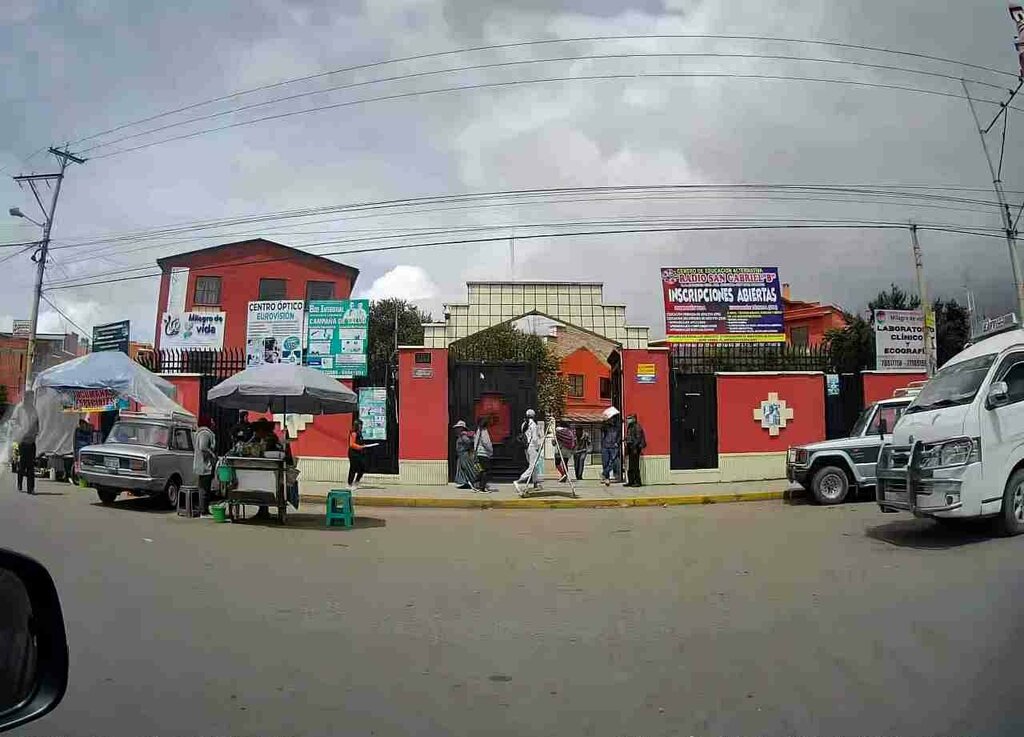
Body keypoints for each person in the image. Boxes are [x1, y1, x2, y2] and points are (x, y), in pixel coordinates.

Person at [13, 391, 39, 495]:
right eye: (30, 397)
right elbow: (15, 422)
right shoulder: (20, 409)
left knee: (31, 466)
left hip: (31, 441)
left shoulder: (34, 410)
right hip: (23, 442)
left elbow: (37, 423)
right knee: (22, 465)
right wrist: (20, 432)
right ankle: (20, 483)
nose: (31, 400)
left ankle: (30, 488)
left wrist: (35, 432)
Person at [512, 409, 542, 497]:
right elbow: (535, 439)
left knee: (533, 465)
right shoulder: (533, 425)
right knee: (533, 466)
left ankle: (535, 483)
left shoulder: (524, 424)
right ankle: (519, 481)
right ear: (534, 415)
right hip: (532, 447)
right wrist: (538, 448)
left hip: (527, 448)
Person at [194, 418, 217, 513]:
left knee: (204, 488)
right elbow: (203, 447)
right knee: (204, 489)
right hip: (204, 465)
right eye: (211, 421)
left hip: (202, 464)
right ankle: (203, 510)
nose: (213, 423)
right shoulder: (205, 433)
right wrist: (212, 454)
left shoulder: (202, 432)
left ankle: (203, 509)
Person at [452, 420, 477, 489]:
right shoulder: (461, 435)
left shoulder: (463, 435)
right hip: (461, 454)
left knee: (467, 467)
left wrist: (466, 448)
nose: (457, 429)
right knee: (462, 469)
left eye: (458, 428)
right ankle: (465, 482)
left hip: (464, 454)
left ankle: (474, 482)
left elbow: (468, 442)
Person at [624, 414, 647, 488]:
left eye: (629, 418)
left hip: (635, 448)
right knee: (630, 466)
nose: (628, 420)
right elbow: (629, 436)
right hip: (631, 448)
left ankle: (637, 482)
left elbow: (638, 438)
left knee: (635, 466)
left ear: (634, 419)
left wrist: (634, 447)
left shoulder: (637, 426)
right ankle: (631, 481)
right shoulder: (630, 426)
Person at [473, 416, 494, 492]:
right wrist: (491, 450)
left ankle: (476, 484)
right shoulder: (484, 431)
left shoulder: (478, 431)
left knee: (481, 470)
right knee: (486, 470)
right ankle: (482, 487)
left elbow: (476, 442)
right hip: (484, 453)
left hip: (479, 453)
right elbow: (486, 443)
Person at [600, 412, 621, 488]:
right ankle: (607, 478)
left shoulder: (617, 427)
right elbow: (602, 429)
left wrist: (617, 442)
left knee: (613, 462)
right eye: (610, 418)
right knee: (605, 462)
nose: (612, 419)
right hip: (605, 446)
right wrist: (605, 421)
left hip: (613, 446)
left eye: (613, 418)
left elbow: (619, 436)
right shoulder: (605, 426)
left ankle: (604, 473)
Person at [348, 418, 370, 490]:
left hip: (359, 453)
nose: (362, 427)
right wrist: (360, 447)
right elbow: (351, 444)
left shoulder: (359, 433)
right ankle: (350, 484)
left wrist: (363, 445)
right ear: (357, 425)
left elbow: (359, 441)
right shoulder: (353, 433)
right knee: (353, 468)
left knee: (362, 468)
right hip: (353, 453)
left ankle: (356, 482)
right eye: (360, 425)